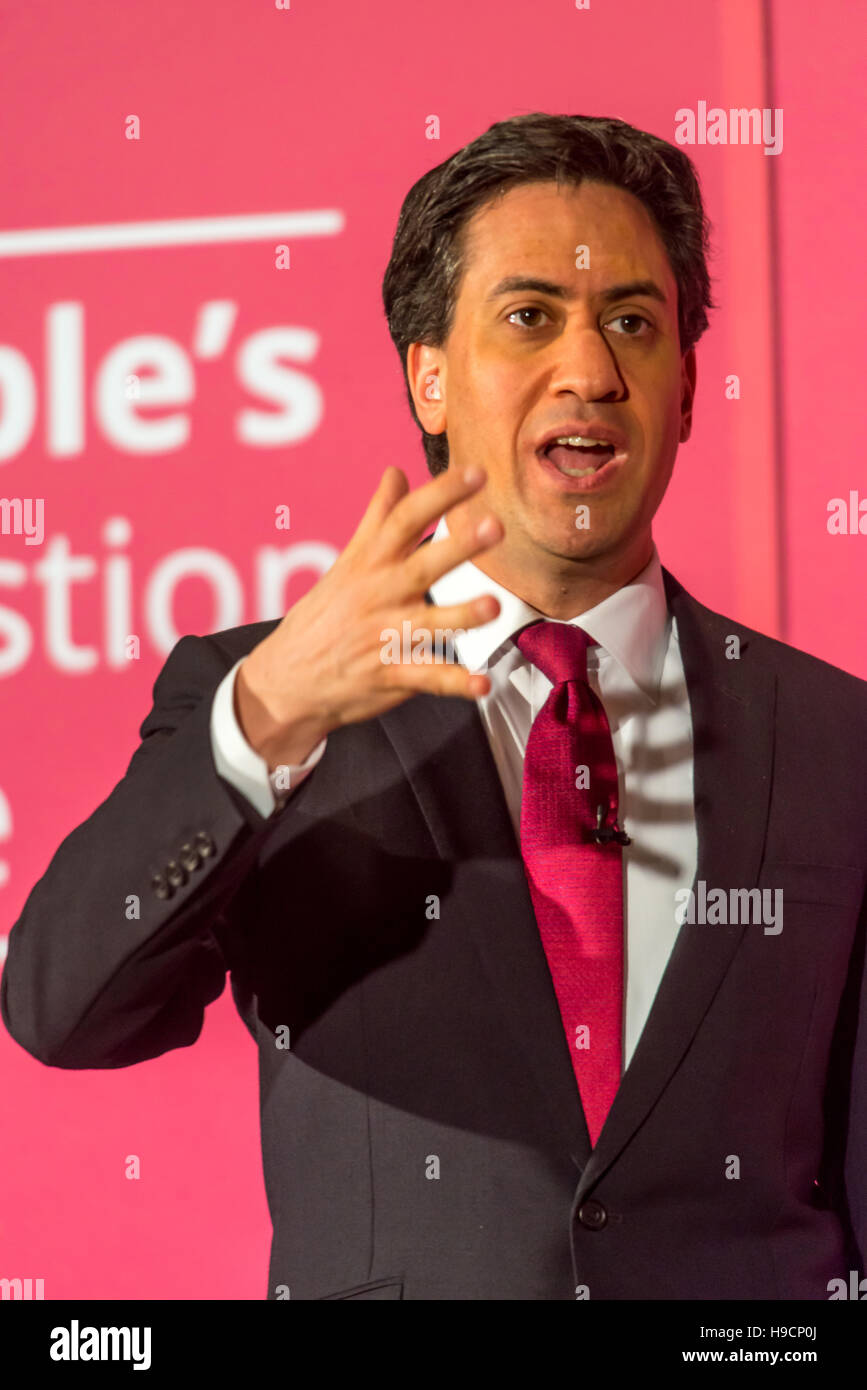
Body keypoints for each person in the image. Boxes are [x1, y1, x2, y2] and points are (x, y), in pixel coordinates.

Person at [3, 113, 866, 1301]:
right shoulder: (274, 698)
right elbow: (64, 1009)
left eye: (632, 322)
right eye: (531, 317)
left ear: (686, 390)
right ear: (429, 375)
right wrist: (266, 721)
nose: (591, 371)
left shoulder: (834, 740)